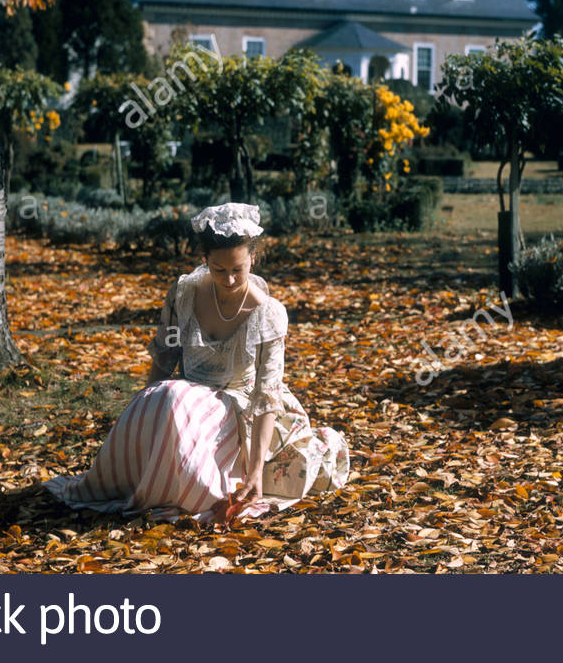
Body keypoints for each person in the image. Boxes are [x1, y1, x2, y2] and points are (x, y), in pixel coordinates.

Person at [44, 203, 350, 523]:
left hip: (240, 409)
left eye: (238, 269)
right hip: (187, 397)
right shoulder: (183, 293)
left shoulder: (267, 313)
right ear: (205, 260)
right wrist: (143, 414)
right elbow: (166, 355)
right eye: (219, 269)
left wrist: (257, 469)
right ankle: (136, 477)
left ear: (253, 259)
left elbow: (265, 396)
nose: (229, 280)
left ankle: (190, 487)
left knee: (175, 397)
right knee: (163, 396)